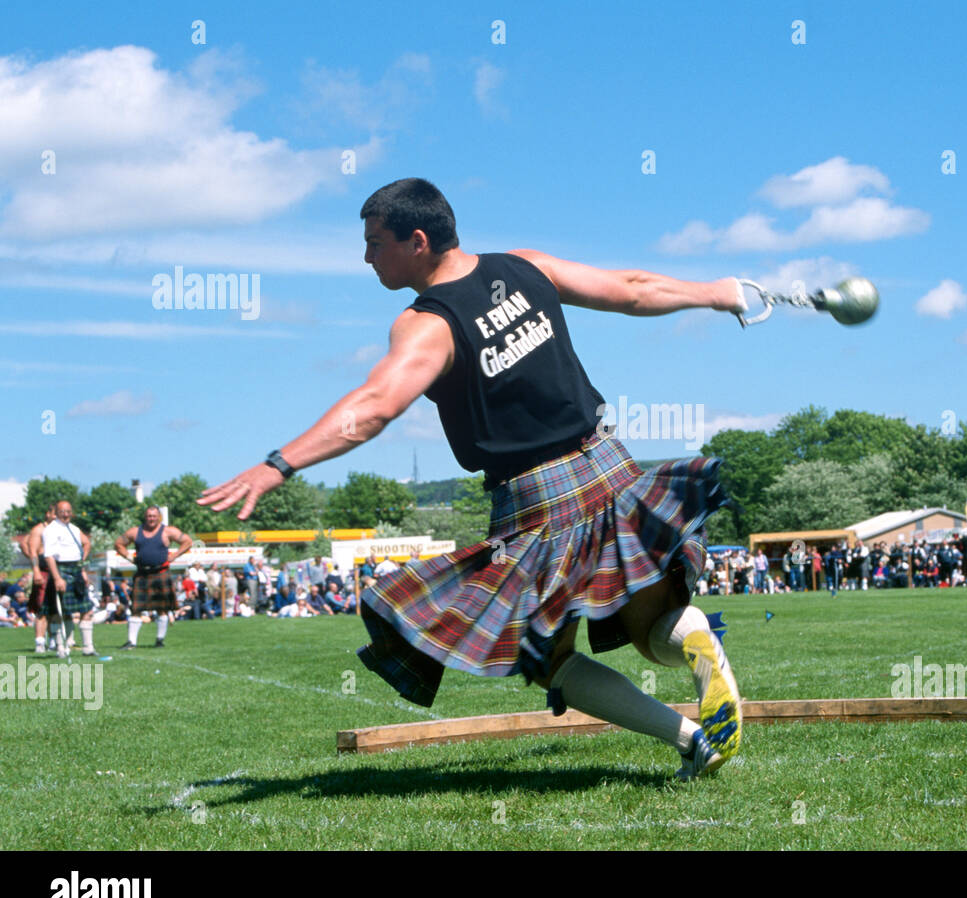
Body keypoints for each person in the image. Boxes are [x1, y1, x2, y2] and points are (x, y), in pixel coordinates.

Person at [198, 178, 746, 779]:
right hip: (611, 463)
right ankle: (699, 647)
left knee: (547, 657)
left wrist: (281, 463)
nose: (366, 258)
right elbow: (633, 290)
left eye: (376, 243)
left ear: (418, 240)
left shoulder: (426, 322)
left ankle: (693, 739)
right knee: (651, 629)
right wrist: (715, 293)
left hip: (537, 497)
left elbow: (375, 405)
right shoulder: (526, 266)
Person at [114, 505, 193, 648]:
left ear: (159, 517)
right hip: (142, 574)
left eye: (154, 516)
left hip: (161, 573)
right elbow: (118, 543)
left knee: (162, 608)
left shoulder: (168, 531)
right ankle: (131, 642)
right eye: (149, 516)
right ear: (145, 517)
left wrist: (174, 556)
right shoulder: (135, 532)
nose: (151, 519)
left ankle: (159, 640)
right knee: (136, 608)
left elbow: (187, 541)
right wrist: (129, 557)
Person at [41, 501, 95, 656]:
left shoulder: (74, 528)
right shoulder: (51, 530)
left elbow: (86, 543)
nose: (65, 514)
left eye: (68, 511)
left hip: (76, 570)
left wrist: (82, 564)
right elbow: (49, 556)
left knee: (86, 609)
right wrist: (57, 578)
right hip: (61, 569)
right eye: (62, 511)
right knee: (59, 612)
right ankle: (60, 648)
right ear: (56, 513)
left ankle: (88, 648)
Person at [23, 505, 57, 653]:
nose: (56, 517)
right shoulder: (38, 529)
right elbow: (31, 550)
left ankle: (54, 642)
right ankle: (40, 643)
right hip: (43, 572)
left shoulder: (60, 529)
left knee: (55, 610)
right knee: (42, 609)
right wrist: (36, 571)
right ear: (47, 513)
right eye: (54, 514)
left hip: (57, 572)